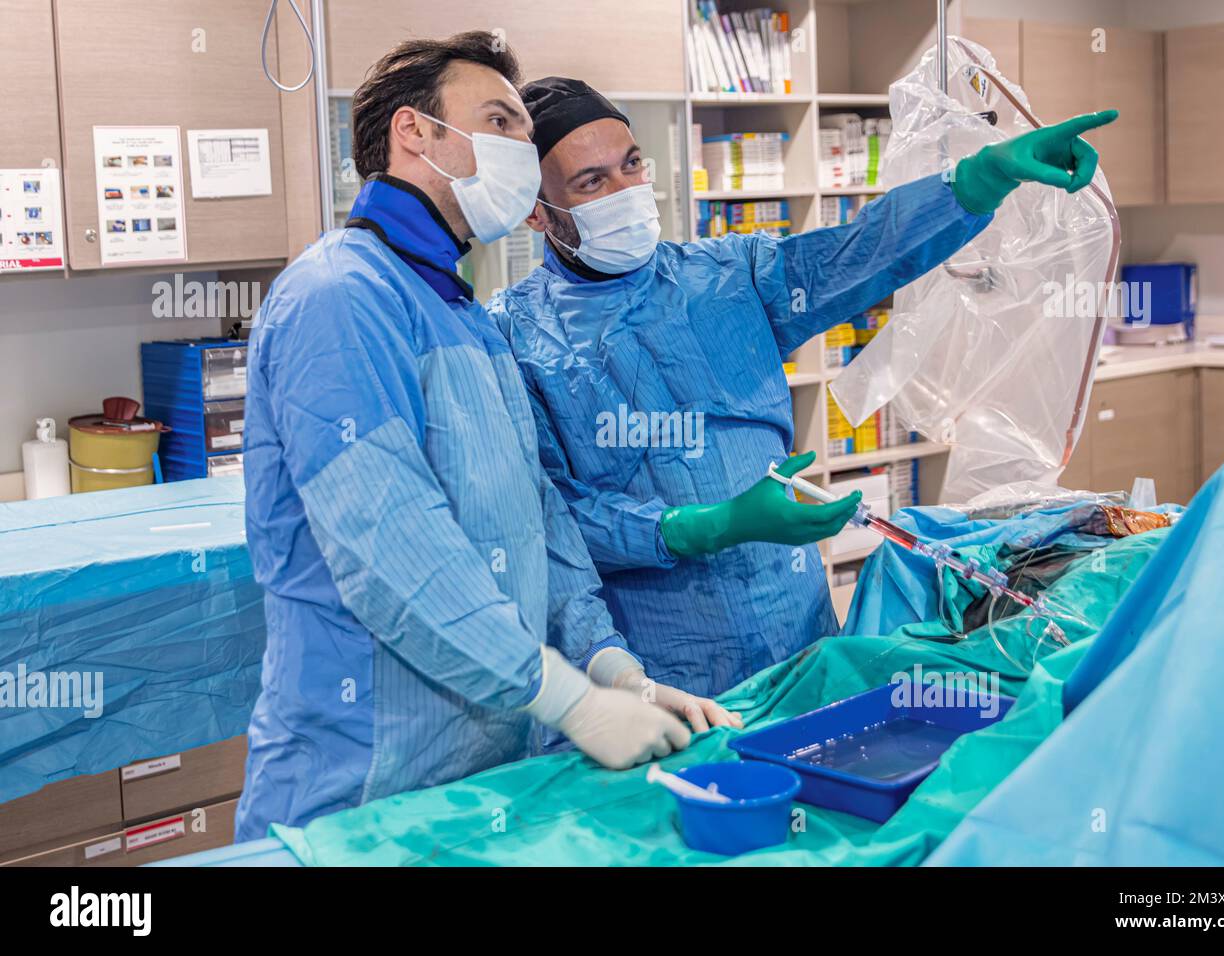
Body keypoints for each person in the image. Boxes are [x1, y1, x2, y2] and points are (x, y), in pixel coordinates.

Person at [235, 38, 737, 841]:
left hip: (483, 766)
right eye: (500, 120)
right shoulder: (340, 299)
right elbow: (394, 548)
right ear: (415, 133)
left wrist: (613, 669)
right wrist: (567, 699)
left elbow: (535, 516)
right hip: (364, 777)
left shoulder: (464, 313)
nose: (522, 149)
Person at [489, 76, 1116, 698]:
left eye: (631, 166)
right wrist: (700, 526)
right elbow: (547, 519)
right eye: (592, 183)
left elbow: (858, 252)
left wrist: (979, 179)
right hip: (660, 667)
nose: (626, 192)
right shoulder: (514, 341)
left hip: (795, 628)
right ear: (538, 212)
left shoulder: (728, 279)